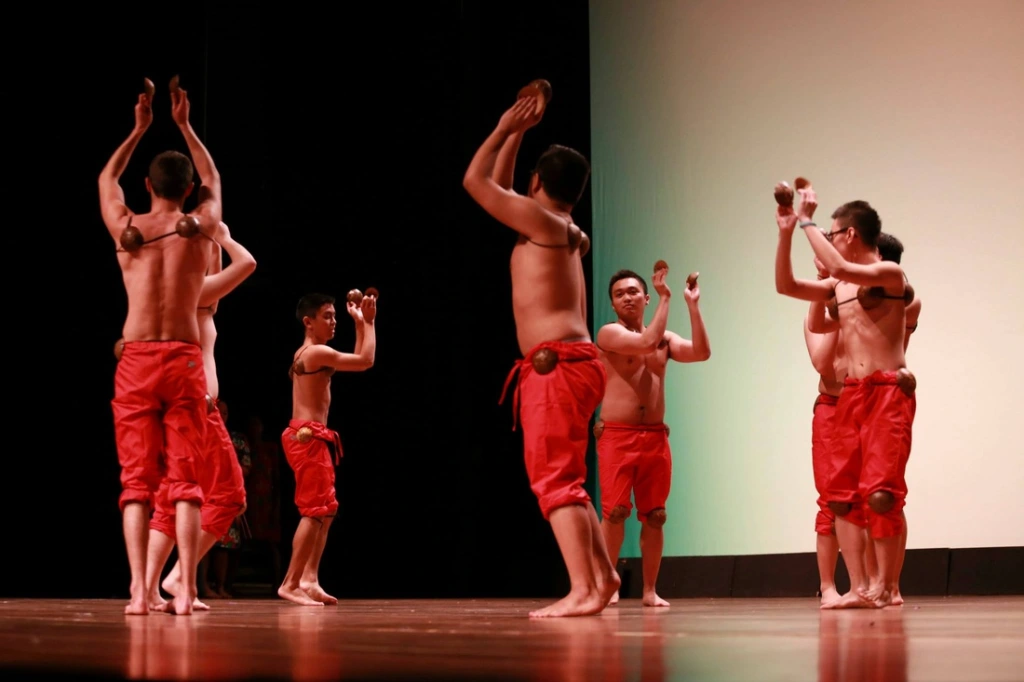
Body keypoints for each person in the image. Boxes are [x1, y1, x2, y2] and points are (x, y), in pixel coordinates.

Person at [463, 91, 619, 618]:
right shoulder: (564, 229)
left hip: (559, 366)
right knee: (568, 481)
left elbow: (477, 184)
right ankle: (603, 578)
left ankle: (582, 590)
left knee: (555, 481)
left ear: (537, 184)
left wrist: (504, 124)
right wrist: (519, 134)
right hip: (576, 364)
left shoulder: (547, 225)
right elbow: (503, 190)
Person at [101, 81, 223, 615]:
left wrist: (139, 127)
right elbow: (215, 177)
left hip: (137, 360)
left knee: (137, 482)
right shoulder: (201, 228)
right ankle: (188, 591)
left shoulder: (129, 226)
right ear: (189, 186)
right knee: (186, 482)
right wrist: (186, 123)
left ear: (147, 184)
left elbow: (106, 178)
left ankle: (137, 592)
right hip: (182, 358)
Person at [775, 188, 917, 609]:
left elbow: (836, 263)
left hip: (886, 391)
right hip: (850, 396)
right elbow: (786, 286)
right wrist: (785, 232)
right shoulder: (839, 286)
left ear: (850, 233)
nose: (830, 240)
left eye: (833, 233)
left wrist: (805, 220)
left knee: (881, 493)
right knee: (841, 496)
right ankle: (858, 587)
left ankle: (888, 587)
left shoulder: (890, 275)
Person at [143, 223, 257, 612]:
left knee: (170, 497)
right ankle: (177, 576)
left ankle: (149, 587)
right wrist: (223, 236)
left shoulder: (181, 296)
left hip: (180, 406)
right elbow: (247, 263)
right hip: (196, 408)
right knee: (229, 495)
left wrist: (210, 239)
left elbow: (215, 270)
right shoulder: (193, 295)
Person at [593, 266, 710, 607]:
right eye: (619, 294)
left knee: (655, 515)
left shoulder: (666, 339)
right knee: (615, 512)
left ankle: (649, 590)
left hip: (655, 437)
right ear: (613, 305)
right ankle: (608, 585)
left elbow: (702, 352)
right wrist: (666, 298)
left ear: (644, 298)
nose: (627, 297)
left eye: (632, 292)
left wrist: (692, 306)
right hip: (618, 434)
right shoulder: (609, 333)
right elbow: (644, 342)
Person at [279, 292, 377, 606]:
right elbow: (364, 361)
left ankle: (309, 578)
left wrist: (360, 323)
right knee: (314, 512)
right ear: (308, 321)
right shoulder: (315, 352)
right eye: (327, 316)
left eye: (335, 316)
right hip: (307, 438)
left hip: (313, 436)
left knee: (327, 509)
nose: (334, 322)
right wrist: (370, 323)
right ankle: (290, 583)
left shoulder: (310, 352)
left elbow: (358, 355)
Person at [803, 257, 845, 604]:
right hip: (832, 409)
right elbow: (823, 366)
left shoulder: (866, 310)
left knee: (872, 498)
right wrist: (836, 319)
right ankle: (828, 586)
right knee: (831, 501)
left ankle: (876, 583)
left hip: (866, 407)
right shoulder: (816, 317)